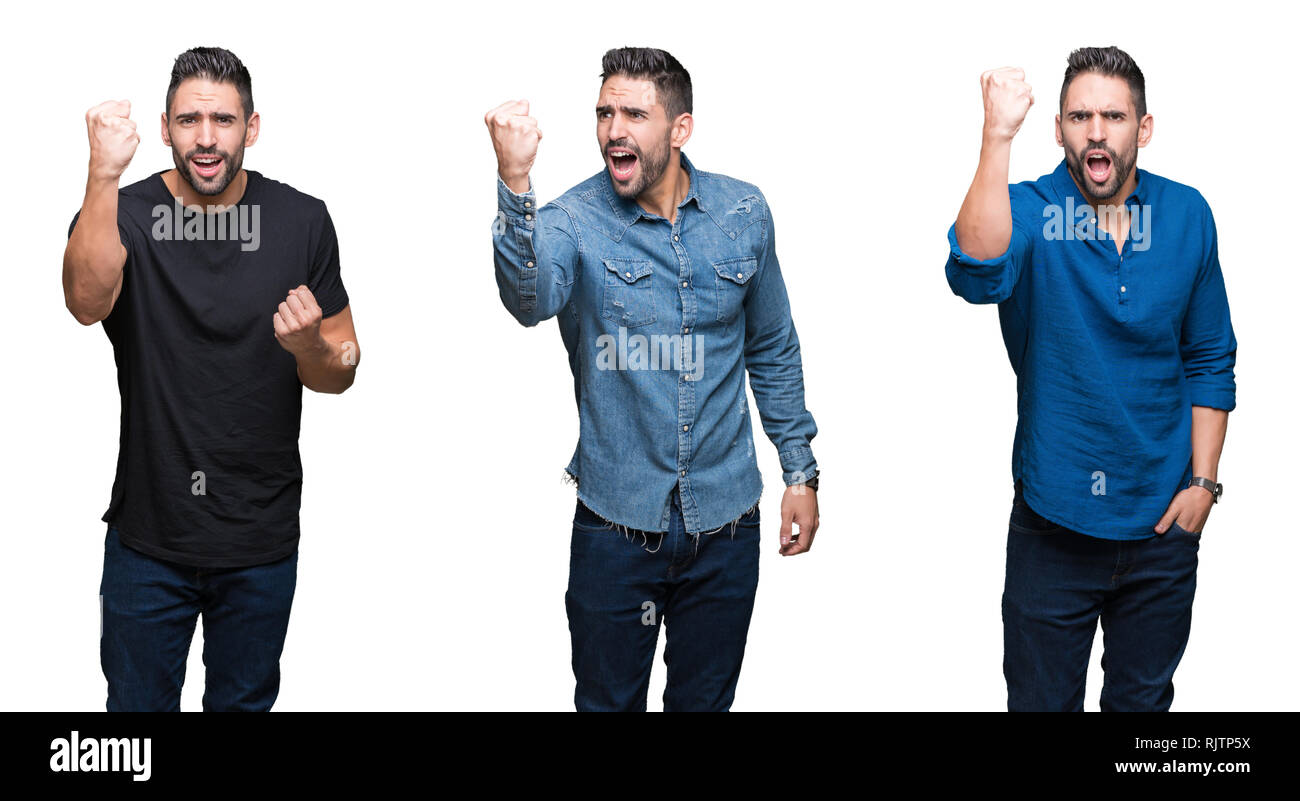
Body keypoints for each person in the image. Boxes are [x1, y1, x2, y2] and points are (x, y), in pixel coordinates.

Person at [486, 47, 820, 712]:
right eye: (605, 112)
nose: (615, 128)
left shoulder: (743, 212)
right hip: (615, 530)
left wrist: (799, 470)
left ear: (680, 128)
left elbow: (772, 344)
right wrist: (515, 183)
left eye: (635, 113)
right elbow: (527, 301)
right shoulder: (570, 221)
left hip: (726, 525)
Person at [63, 46, 360, 711]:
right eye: (190, 120)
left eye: (223, 121)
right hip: (148, 538)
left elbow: (343, 365)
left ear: (251, 128)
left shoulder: (301, 220)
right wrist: (102, 174)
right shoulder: (126, 214)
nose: (206, 138)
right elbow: (86, 301)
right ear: (165, 128)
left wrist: (311, 345)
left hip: (259, 539)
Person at [945, 46, 1236, 711]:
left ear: (1144, 128)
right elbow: (975, 270)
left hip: (1162, 529)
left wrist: (1203, 484)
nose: (1096, 131)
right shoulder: (1030, 208)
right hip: (1056, 526)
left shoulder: (1188, 214)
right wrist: (996, 137)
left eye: (1113, 115)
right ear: (1058, 130)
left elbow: (1210, 357)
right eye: (1079, 116)